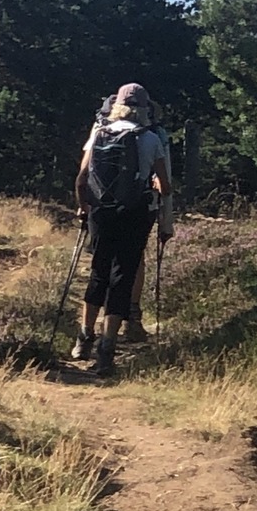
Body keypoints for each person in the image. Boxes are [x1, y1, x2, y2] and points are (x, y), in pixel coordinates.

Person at [72, 82, 171, 375]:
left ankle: (83, 339)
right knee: (122, 277)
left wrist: (84, 207)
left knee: (98, 272)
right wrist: (154, 184)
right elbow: (165, 187)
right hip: (134, 214)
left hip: (101, 213)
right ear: (144, 109)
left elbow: (80, 179)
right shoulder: (150, 138)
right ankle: (107, 347)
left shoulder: (99, 133)